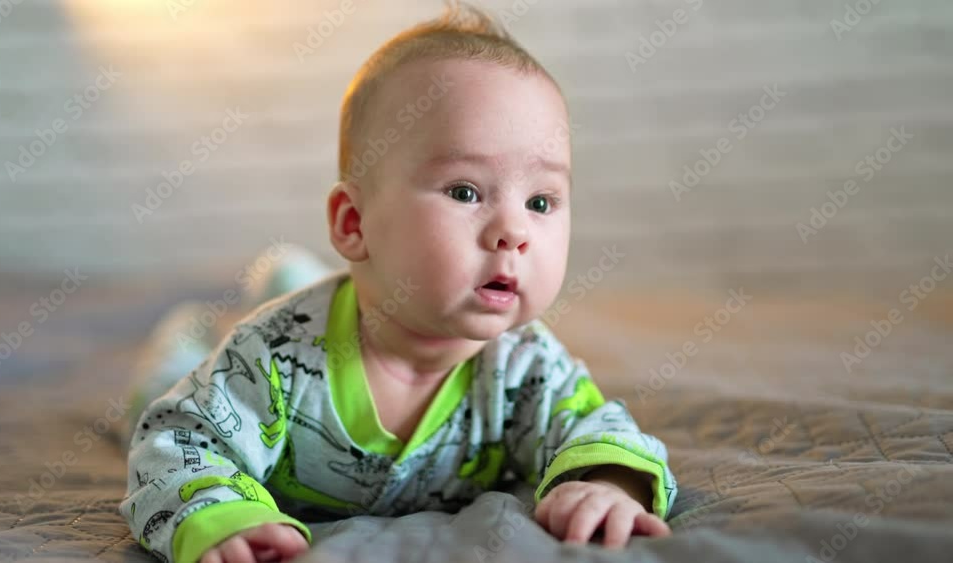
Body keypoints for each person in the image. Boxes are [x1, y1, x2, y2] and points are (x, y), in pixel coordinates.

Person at [119, 4, 677, 562]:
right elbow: (177, 441)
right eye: (464, 191)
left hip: (357, 284)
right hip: (273, 336)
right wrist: (216, 516)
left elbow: (596, 428)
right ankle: (186, 336)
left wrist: (607, 484)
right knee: (162, 386)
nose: (515, 231)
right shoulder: (273, 354)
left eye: (540, 201)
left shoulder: (523, 365)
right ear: (354, 223)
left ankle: (290, 272)